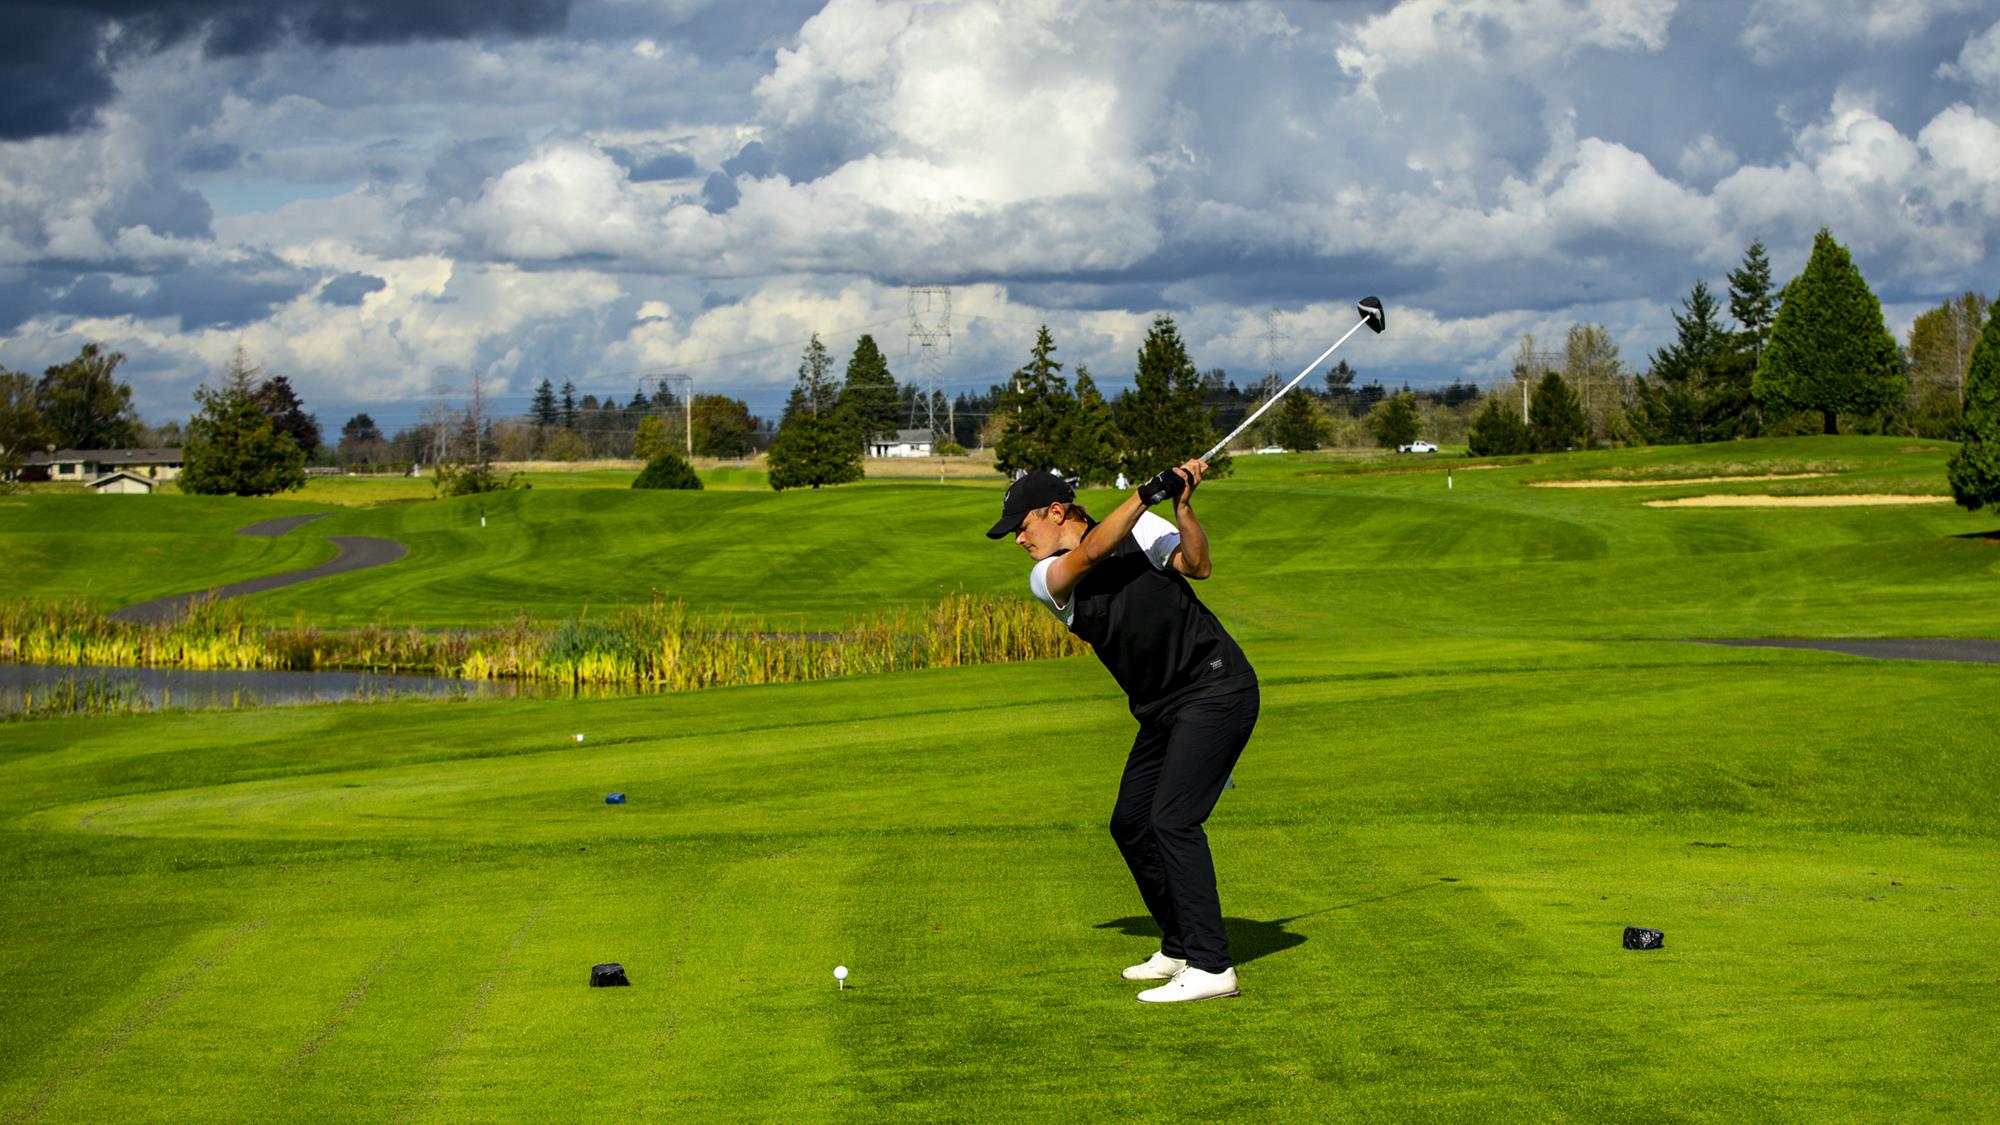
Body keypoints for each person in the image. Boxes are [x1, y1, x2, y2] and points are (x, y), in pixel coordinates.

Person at [985, 460, 1259, 1003]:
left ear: (1056, 511)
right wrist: (1145, 493)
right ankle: (1179, 943)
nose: (1018, 539)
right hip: (1159, 709)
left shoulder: (1145, 527)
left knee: (1173, 820)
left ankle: (1211, 965)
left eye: (1023, 525)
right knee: (1131, 824)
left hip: (1215, 686)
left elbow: (1198, 566)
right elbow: (1090, 554)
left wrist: (1181, 507)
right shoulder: (1046, 577)